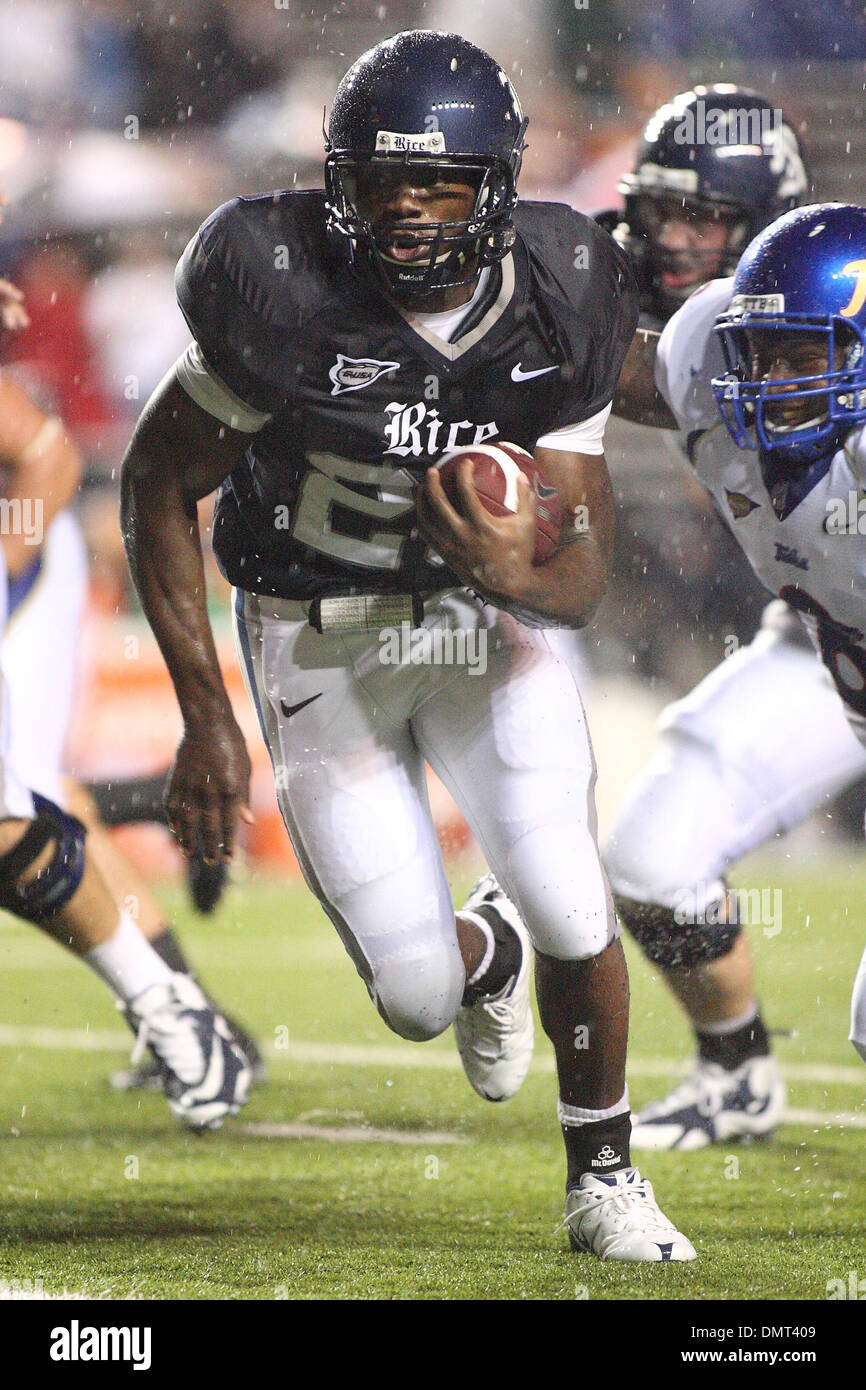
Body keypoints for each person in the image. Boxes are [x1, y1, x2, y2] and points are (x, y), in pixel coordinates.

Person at [120, 29, 696, 1261]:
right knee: (416, 997)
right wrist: (206, 714)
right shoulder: (270, 278)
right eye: (384, 182)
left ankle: (602, 1174)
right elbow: (155, 484)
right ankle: (475, 953)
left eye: (439, 183)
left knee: (566, 891)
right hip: (315, 639)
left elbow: (581, 571)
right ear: (337, 181)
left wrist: (514, 572)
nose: (410, 213)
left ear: (495, 185)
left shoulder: (565, 282)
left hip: (482, 625)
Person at [612, 201, 866, 1114]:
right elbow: (629, 373)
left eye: (809, 357)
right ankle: (735, 1076)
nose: (778, 383)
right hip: (824, 659)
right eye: (767, 355)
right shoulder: (710, 371)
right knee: (648, 861)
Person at [0, 363, 251, 1129]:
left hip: (23, 567)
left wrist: (5, 566)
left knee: (23, 804)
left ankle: (177, 1011)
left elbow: (52, 454)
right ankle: (186, 1011)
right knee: (35, 800)